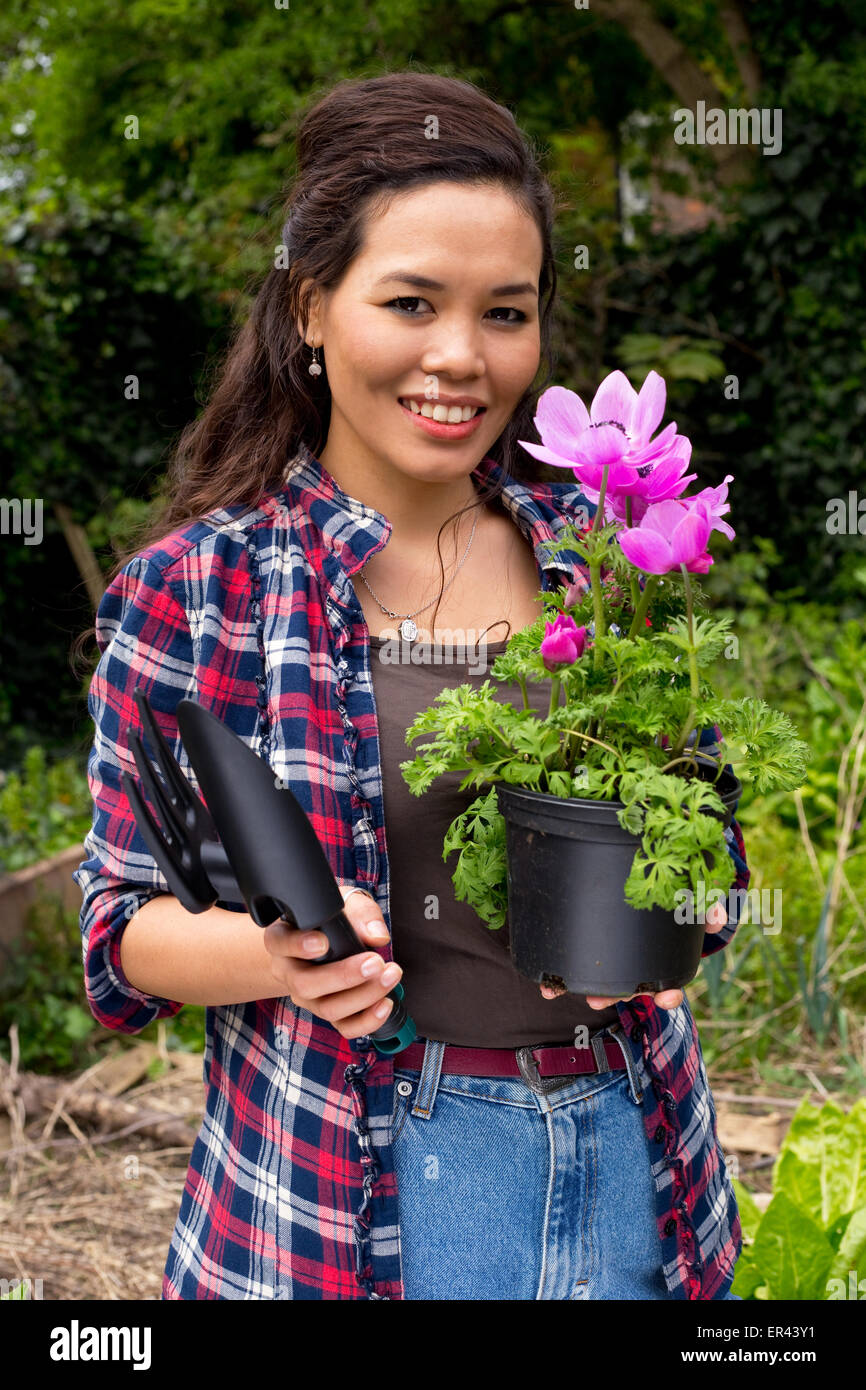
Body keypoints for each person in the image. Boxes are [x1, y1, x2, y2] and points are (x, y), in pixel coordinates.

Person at [73, 70, 750, 1301]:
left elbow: (708, 844)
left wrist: (668, 921)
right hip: (355, 1198)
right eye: (410, 301)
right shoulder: (202, 586)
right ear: (313, 306)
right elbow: (121, 930)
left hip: (634, 1173)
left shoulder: (600, 553)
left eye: (504, 312)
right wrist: (281, 954)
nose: (459, 357)